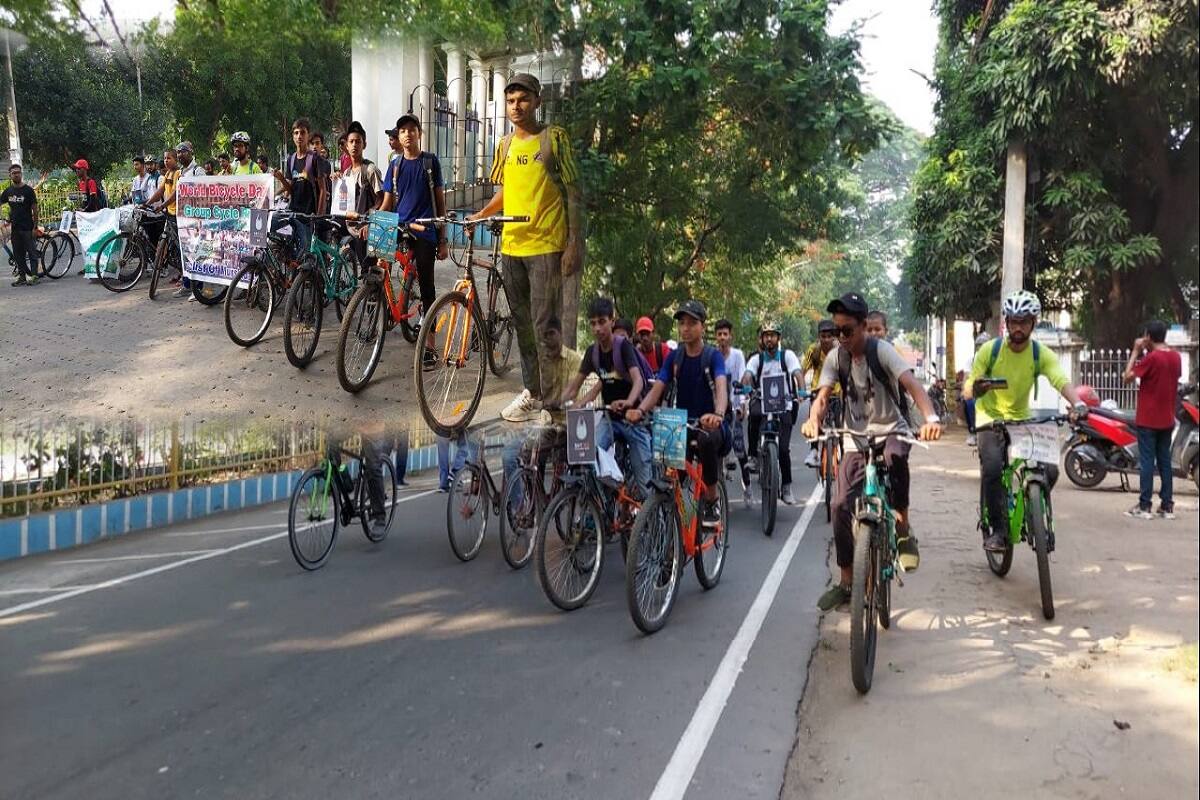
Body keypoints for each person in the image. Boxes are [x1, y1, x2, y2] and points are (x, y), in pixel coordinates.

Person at [803, 292, 943, 610]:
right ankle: (846, 581)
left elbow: (913, 386)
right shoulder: (835, 357)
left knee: (895, 459)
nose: (842, 337)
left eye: (848, 330)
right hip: (855, 437)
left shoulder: (882, 351)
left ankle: (903, 528)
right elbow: (822, 397)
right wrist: (813, 420)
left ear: (864, 326)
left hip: (892, 429)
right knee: (839, 505)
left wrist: (931, 418)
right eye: (837, 331)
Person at [470, 73, 585, 422]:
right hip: (512, 247)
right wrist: (482, 213)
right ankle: (533, 393)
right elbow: (507, 191)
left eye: (522, 99)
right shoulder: (505, 145)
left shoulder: (554, 139)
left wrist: (574, 242)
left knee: (544, 326)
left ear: (537, 101)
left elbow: (574, 191)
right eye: (510, 100)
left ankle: (554, 403)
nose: (516, 106)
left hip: (546, 246)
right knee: (522, 325)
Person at [963, 290, 1084, 552]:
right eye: (1014, 322)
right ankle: (998, 531)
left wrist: (1078, 403)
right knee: (993, 469)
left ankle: (1033, 508)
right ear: (1006, 322)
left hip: (1022, 419)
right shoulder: (990, 351)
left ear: (1033, 323)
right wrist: (977, 388)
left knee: (1050, 470)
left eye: (1024, 322)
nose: (1018, 328)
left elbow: (1060, 380)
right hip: (990, 418)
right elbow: (968, 387)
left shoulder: (1040, 354)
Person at [627, 300, 729, 528]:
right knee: (671, 479)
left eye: (692, 323)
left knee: (705, 441)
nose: (685, 328)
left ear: (703, 327)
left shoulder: (713, 356)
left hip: (709, 425)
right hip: (680, 425)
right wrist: (640, 410)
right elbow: (658, 388)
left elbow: (722, 387)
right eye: (682, 323)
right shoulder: (674, 357)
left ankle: (712, 501)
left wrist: (718, 414)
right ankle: (675, 526)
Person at [560, 297, 653, 495]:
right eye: (593, 323)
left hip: (633, 420)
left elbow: (638, 381)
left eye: (602, 322)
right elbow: (574, 388)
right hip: (609, 420)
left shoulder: (624, 347)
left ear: (612, 321)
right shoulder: (592, 353)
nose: (597, 328)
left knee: (645, 484)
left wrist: (629, 402)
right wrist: (555, 403)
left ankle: (651, 512)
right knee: (588, 455)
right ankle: (601, 508)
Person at [379, 113, 447, 348]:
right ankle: (382, 305)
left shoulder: (430, 162)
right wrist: (372, 220)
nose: (407, 134)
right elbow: (387, 203)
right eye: (403, 130)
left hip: (425, 230)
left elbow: (440, 202)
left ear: (419, 133)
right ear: (399, 136)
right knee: (377, 264)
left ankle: (430, 342)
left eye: (412, 129)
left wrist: (442, 239)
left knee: (427, 284)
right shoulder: (395, 166)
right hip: (399, 226)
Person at [1122, 320, 1181, 520]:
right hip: (1167, 418)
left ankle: (1144, 505)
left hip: (1148, 419)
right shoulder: (1175, 357)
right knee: (1164, 461)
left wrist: (1135, 351)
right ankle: (1167, 505)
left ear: (1148, 337)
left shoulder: (1151, 358)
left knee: (1147, 462)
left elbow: (1127, 377)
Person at [742, 320, 804, 505]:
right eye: (766, 335)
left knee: (783, 449)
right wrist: (746, 387)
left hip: (785, 404)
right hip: (763, 402)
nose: (769, 339)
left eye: (773, 335)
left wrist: (801, 391)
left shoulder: (787, 356)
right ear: (762, 339)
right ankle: (753, 456)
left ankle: (786, 487)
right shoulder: (757, 359)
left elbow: (797, 374)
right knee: (753, 415)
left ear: (778, 338)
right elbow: (748, 375)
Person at [273, 118, 330, 252]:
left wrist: (319, 217)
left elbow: (323, 189)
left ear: (308, 135)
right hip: (294, 212)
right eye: (296, 133)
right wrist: (281, 179)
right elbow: (290, 189)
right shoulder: (291, 159)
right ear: (293, 136)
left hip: (309, 215)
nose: (299, 136)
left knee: (307, 254)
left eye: (303, 132)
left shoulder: (315, 158)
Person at [714, 318, 750, 496]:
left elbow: (742, 379)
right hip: (717, 408)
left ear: (730, 336)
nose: (722, 337)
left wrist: (742, 403)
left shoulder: (737, 355)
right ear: (716, 337)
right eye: (719, 334)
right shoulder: (712, 355)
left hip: (734, 405)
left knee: (739, 447)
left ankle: (747, 484)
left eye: (725, 334)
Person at [340, 121, 384, 261]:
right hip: (351, 228)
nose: (354, 145)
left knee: (369, 269)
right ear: (346, 146)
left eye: (358, 141)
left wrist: (369, 220)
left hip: (367, 229)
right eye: (351, 141)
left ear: (364, 144)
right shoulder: (346, 173)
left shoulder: (370, 170)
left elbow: (382, 199)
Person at [801, 319, 840, 466]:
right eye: (823, 336)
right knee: (815, 418)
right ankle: (814, 451)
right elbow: (802, 371)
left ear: (835, 336)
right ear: (819, 337)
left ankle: (843, 453)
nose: (827, 340)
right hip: (818, 391)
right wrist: (799, 390)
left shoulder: (841, 350)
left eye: (830, 336)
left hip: (837, 392)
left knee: (841, 424)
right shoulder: (814, 351)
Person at [171, 142, 206, 299]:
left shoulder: (198, 171)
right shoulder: (180, 173)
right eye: (178, 152)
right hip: (183, 219)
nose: (180, 155)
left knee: (197, 254)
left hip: (196, 218)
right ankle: (186, 285)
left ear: (191, 152)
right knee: (185, 254)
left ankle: (198, 288)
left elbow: (205, 192)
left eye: (183, 151)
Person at [2, 163, 40, 287]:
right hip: (15, 228)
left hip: (27, 227)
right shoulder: (8, 191)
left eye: (18, 172)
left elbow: (35, 209)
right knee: (18, 255)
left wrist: (35, 227)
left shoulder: (28, 190)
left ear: (21, 174)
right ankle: (22, 277)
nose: (16, 175)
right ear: (10, 175)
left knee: (32, 253)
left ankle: (34, 276)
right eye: (14, 173)